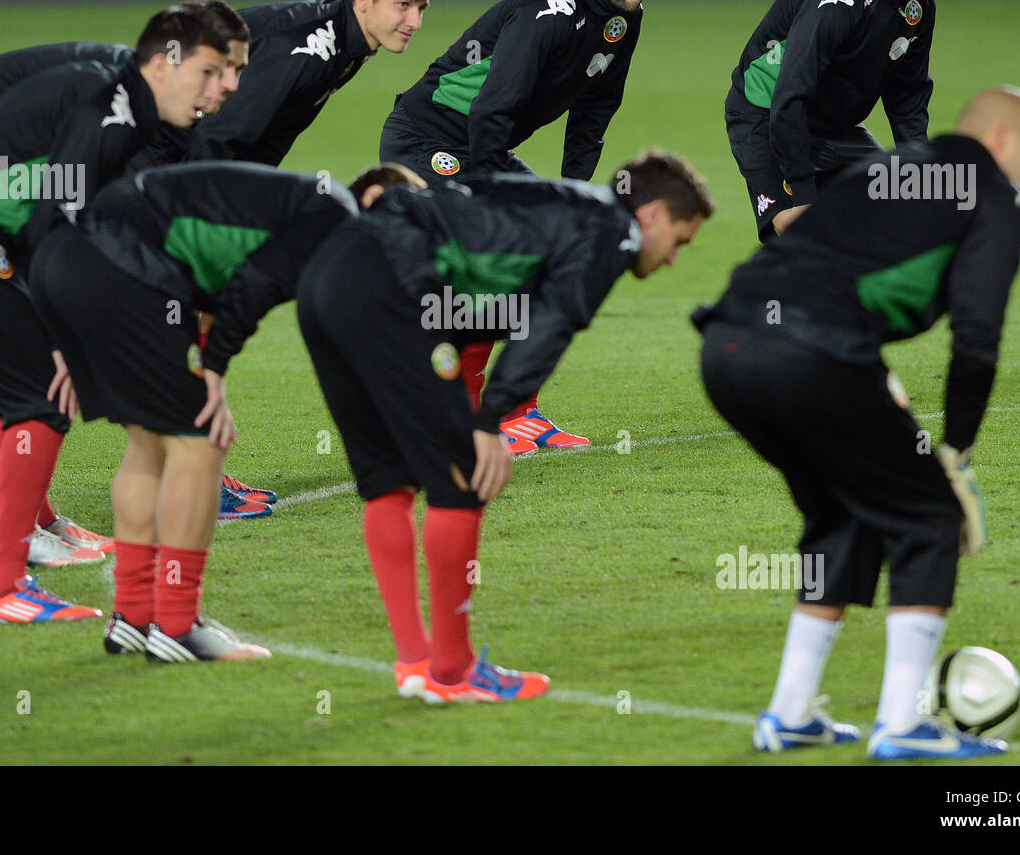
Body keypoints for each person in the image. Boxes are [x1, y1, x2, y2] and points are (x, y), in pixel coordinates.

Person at [692, 87, 1020, 759]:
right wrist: (956, 451)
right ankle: (902, 724)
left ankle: (789, 712)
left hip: (727, 345)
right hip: (810, 351)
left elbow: (823, 262)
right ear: (1002, 141)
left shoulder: (892, 169)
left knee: (845, 514)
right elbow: (977, 335)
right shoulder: (996, 195)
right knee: (929, 517)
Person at [298, 150, 712, 702]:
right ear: (653, 215)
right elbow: (548, 324)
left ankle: (417, 665)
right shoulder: (612, 232)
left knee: (387, 481)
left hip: (327, 277)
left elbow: (477, 290)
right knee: (465, 483)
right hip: (391, 290)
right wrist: (492, 419)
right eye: (680, 241)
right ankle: (453, 672)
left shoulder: (555, 202)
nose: (673, 260)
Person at [0, 3, 237, 624]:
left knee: (22, 401)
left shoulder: (122, 99)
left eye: (231, 73)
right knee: (42, 400)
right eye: (212, 71)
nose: (227, 87)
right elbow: (58, 215)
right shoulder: (113, 103)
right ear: (164, 62)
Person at [28, 162, 416, 660]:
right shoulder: (335, 215)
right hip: (118, 264)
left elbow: (202, 292)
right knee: (202, 439)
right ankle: (177, 625)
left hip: (65, 259)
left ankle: (133, 615)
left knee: (148, 443)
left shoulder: (301, 214)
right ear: (374, 199)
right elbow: (252, 285)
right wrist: (212, 369)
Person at [125, 0, 439, 517]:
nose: (414, 21)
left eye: (421, 8)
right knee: (189, 311)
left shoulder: (343, 44)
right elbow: (219, 132)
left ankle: (193, 465)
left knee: (198, 313)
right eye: (402, 5)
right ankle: (189, 476)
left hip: (178, 169)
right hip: (160, 168)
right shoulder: (313, 49)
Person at [379, 0, 663, 456]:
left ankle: (517, 414)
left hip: (482, 144)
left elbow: (594, 113)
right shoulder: (548, 12)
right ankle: (465, 413)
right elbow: (492, 108)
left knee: (550, 253)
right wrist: (492, 203)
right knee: (492, 261)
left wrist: (577, 200)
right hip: (428, 140)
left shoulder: (624, 18)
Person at [725, 0, 956, 241]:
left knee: (897, 208)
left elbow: (907, 96)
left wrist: (917, 171)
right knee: (801, 233)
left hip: (836, 127)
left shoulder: (919, 9)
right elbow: (790, 95)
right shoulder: (838, 0)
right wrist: (802, 191)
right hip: (768, 114)